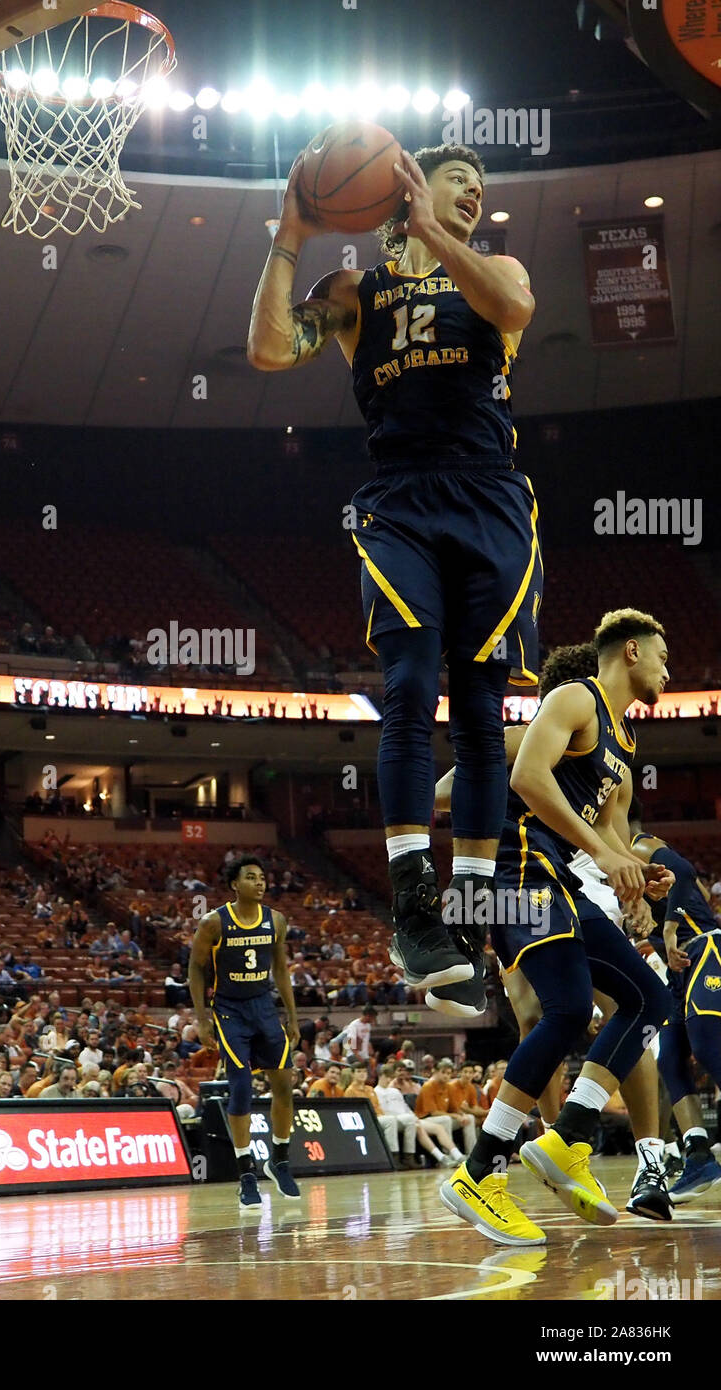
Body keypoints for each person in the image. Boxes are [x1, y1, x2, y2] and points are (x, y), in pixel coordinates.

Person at [247, 140, 537, 1014]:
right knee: (411, 686)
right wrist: (292, 234)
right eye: (459, 179)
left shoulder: (495, 269)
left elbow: (514, 302)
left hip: (491, 499)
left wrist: (433, 235)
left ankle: (476, 916)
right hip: (400, 501)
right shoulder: (352, 295)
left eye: (480, 188)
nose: (476, 193)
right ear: (407, 184)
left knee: (483, 709)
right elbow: (266, 350)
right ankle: (415, 910)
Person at [440, 609, 673, 1247]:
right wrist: (601, 852)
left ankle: (568, 1134)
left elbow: (615, 840)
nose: (667, 670)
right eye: (661, 658)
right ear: (631, 652)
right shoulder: (575, 699)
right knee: (560, 1010)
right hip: (515, 872)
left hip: (559, 878)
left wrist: (639, 873)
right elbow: (519, 778)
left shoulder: (622, 750)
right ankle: (481, 1172)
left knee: (648, 999)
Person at [189, 855, 300, 1210]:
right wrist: (202, 1019)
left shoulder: (276, 921)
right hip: (229, 1011)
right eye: (251, 877)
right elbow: (195, 968)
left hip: (264, 1008)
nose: (260, 882)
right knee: (241, 1088)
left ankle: (279, 1159)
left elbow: (281, 969)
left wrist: (292, 1016)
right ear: (235, 884)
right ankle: (246, 1174)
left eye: (262, 877)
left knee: (284, 1082)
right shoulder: (213, 922)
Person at [630, 804, 721, 1205]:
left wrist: (667, 926)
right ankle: (699, 1155)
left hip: (704, 948)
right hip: (677, 966)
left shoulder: (641, 844)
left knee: (705, 1046)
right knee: (669, 1059)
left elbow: (683, 873)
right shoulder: (618, 857)